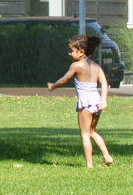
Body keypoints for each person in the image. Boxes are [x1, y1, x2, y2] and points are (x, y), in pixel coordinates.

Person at [47, 34, 114, 168]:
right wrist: (103, 100)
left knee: (85, 135)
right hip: (96, 102)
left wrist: (53, 86)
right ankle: (107, 156)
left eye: (72, 51)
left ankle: (89, 164)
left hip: (85, 103)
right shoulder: (95, 65)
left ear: (81, 52)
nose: (70, 53)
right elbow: (104, 83)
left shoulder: (76, 66)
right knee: (92, 132)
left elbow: (64, 80)